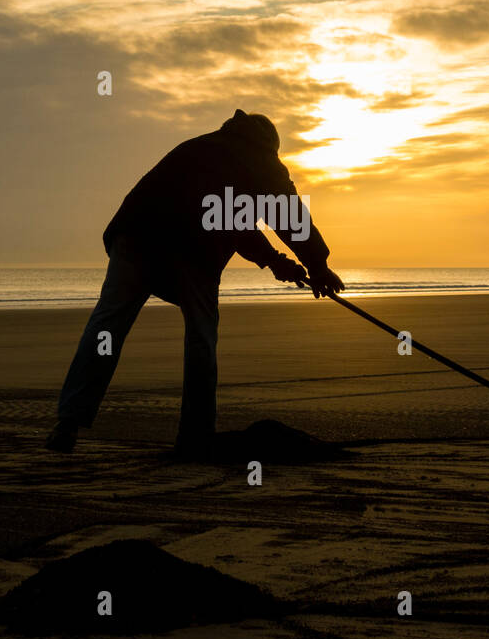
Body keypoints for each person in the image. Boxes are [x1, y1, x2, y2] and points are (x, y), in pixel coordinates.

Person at [47, 110, 344, 456]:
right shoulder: (260, 159)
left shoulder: (198, 147)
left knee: (107, 326)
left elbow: (235, 222)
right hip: (189, 248)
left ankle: (67, 422)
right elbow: (286, 213)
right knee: (201, 336)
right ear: (269, 146)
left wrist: (277, 261)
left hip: (134, 236)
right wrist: (318, 266)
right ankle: (195, 434)